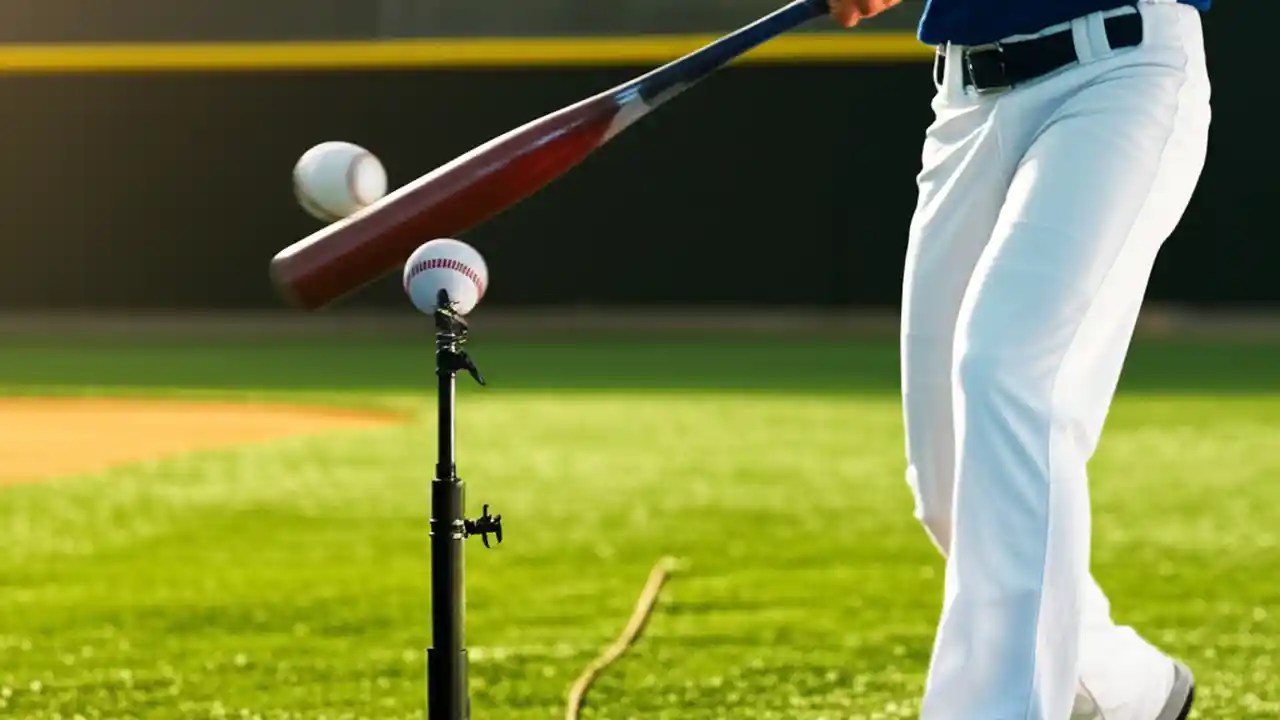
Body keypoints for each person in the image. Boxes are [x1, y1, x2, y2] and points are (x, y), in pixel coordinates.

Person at [827, 0, 1211, 718]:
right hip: (967, 98)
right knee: (948, 482)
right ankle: (1125, 684)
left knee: (1005, 372)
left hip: (1117, 72)